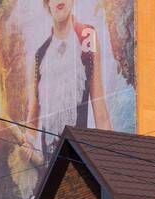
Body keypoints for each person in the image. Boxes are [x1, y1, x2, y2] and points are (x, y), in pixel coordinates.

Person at [22, 0, 112, 163]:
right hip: (50, 160)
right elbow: (33, 115)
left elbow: (100, 109)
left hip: (78, 155)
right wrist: (27, 142)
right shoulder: (40, 56)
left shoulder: (86, 36)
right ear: (47, 4)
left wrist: (112, 156)